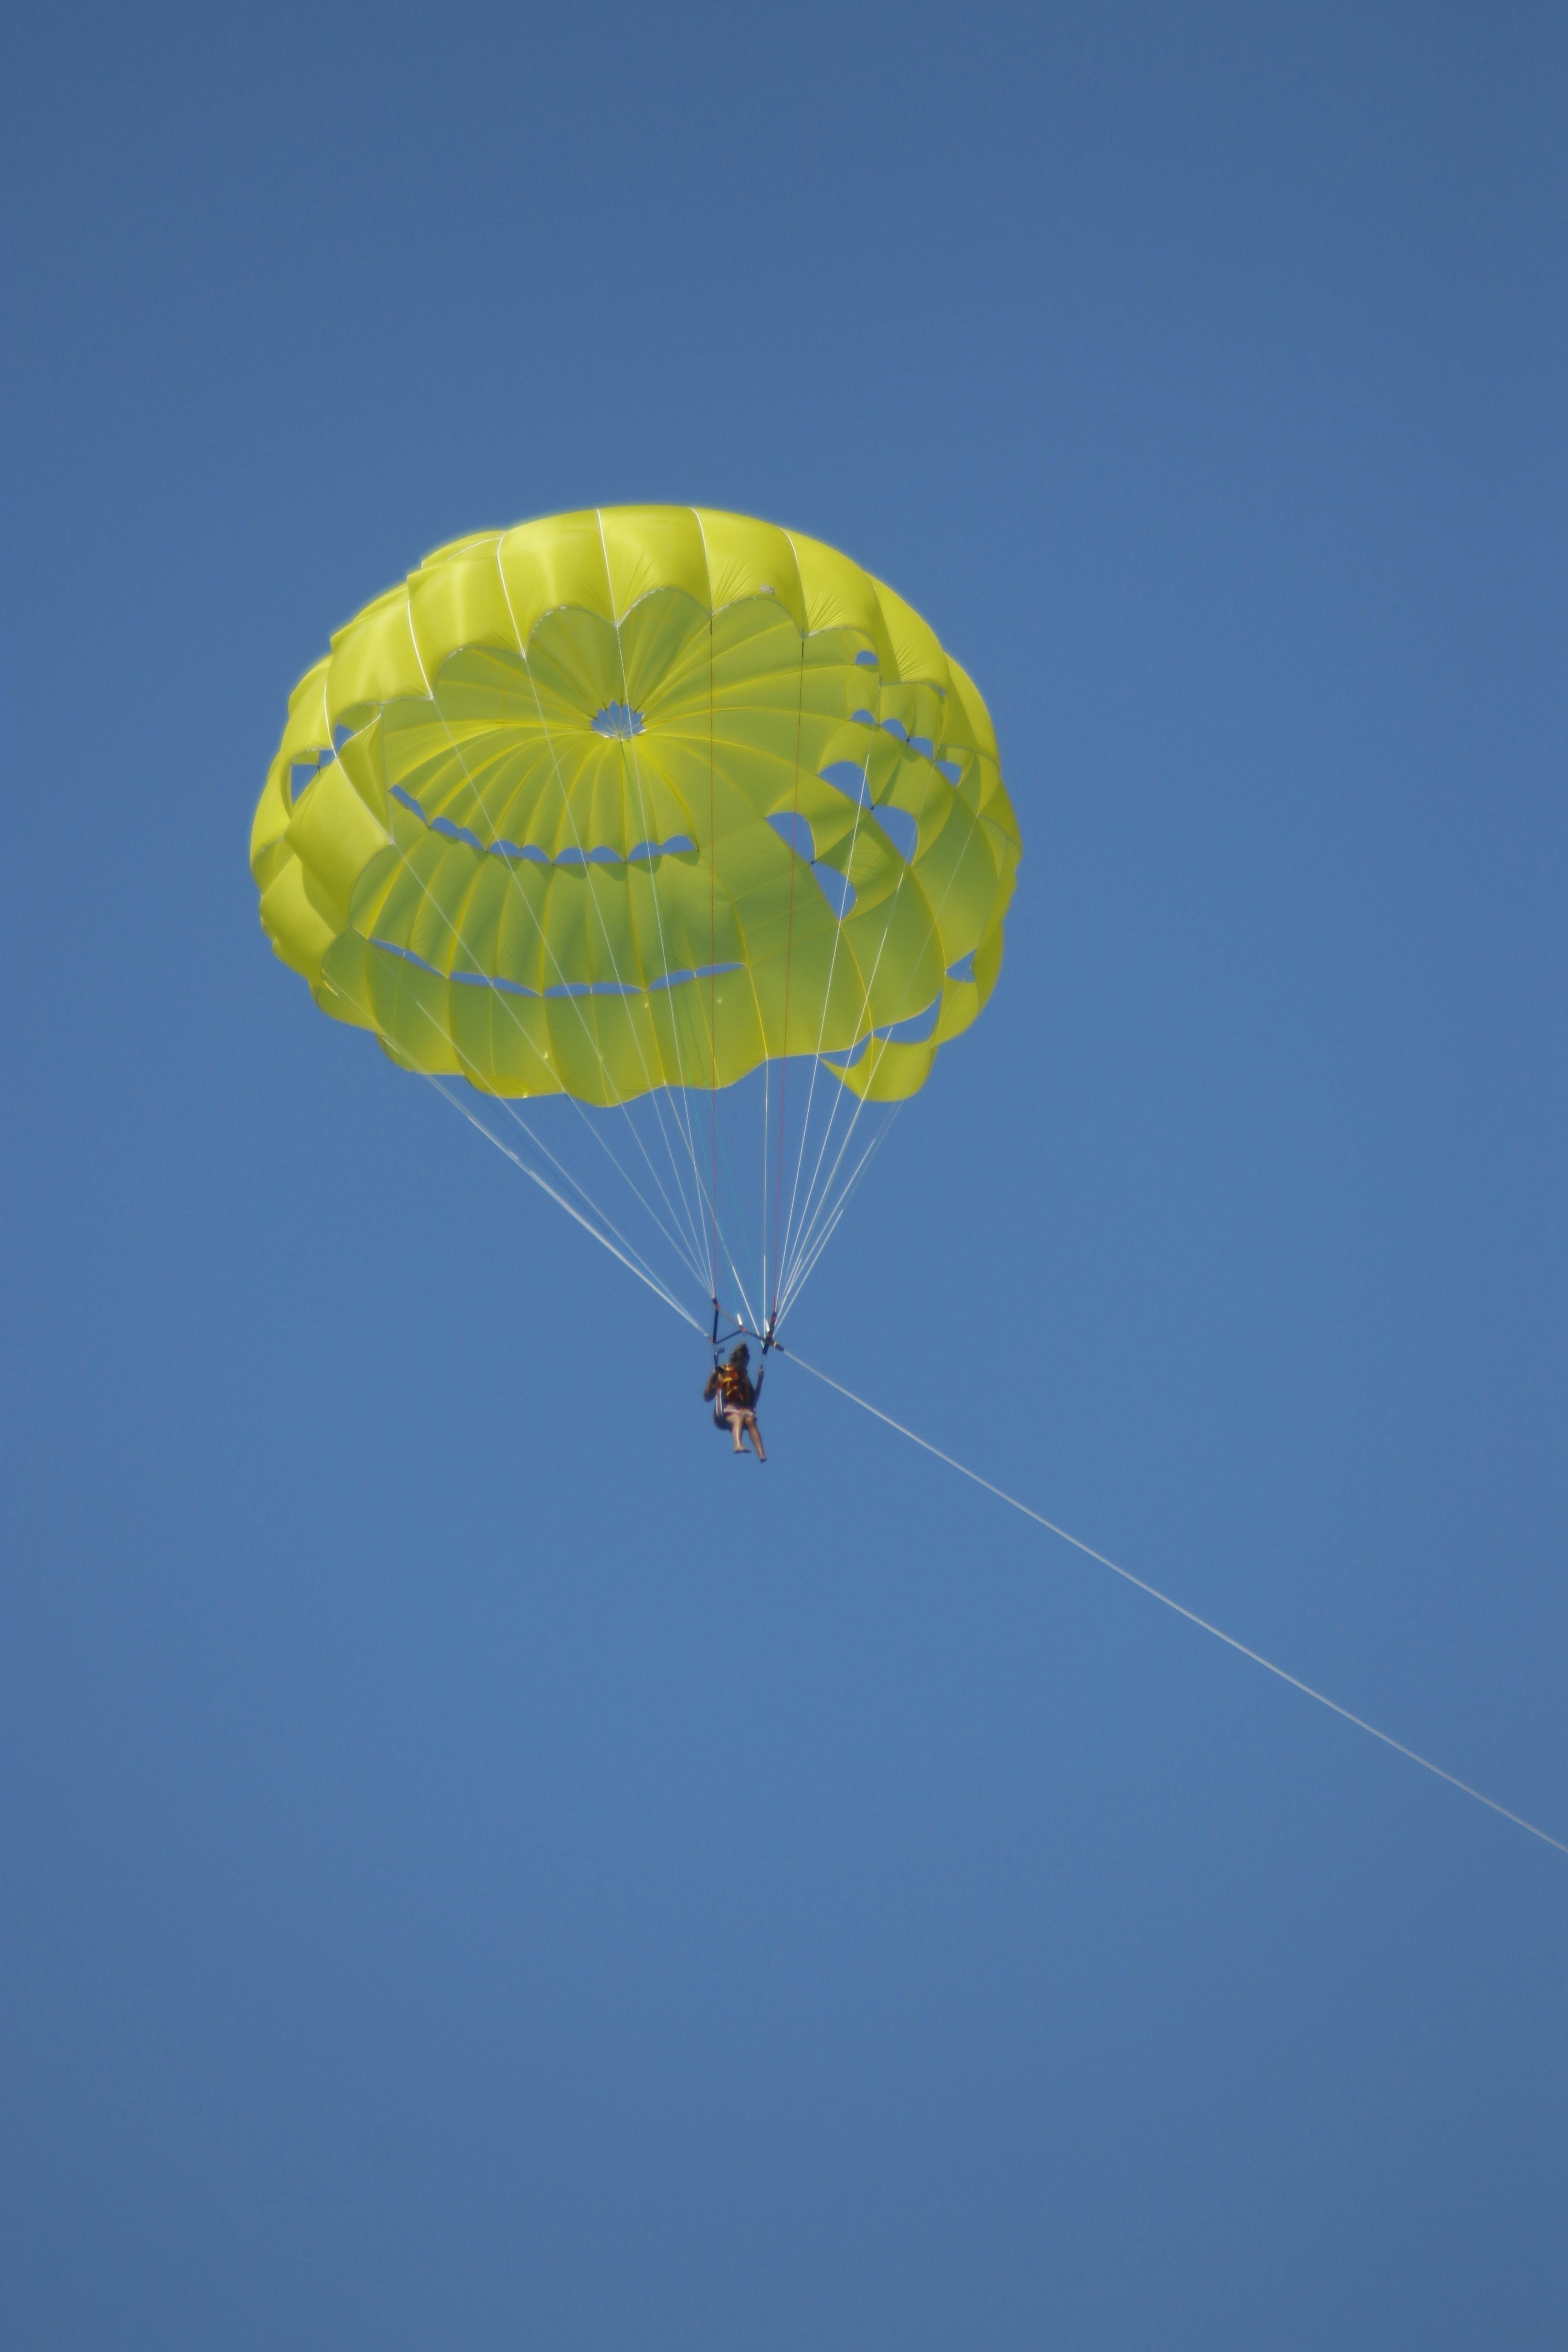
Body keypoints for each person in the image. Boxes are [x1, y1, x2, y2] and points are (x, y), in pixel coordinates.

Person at [704, 1342, 766, 1460]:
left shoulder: (744, 1377)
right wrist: (713, 1378)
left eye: (746, 1364)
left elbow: (753, 1399)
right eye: (742, 1363)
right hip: (724, 1412)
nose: (744, 1366)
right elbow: (707, 1397)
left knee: (751, 1419)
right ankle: (738, 1445)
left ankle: (761, 1454)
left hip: (743, 1409)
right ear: (735, 1361)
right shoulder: (723, 1371)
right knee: (739, 1417)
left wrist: (760, 1380)